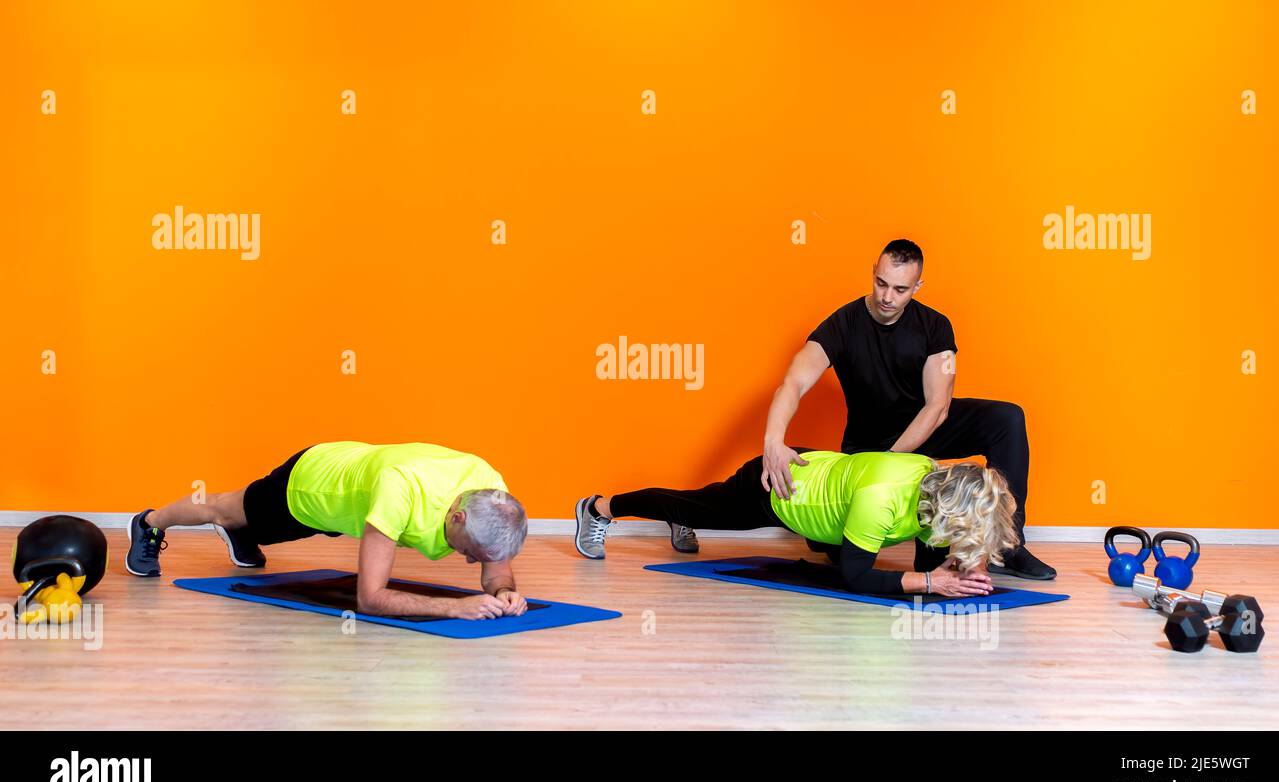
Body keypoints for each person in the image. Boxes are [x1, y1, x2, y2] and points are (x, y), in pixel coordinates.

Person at [700, 238, 1054, 580]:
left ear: (918, 285)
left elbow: (938, 407)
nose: (887, 296)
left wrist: (896, 460)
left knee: (1007, 417)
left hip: (924, 425)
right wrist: (773, 441)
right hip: (871, 442)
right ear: (873, 272)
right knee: (842, 556)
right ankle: (826, 536)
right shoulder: (844, 323)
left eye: (900, 289)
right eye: (881, 283)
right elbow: (793, 382)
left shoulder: (935, 326)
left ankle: (1007, 545)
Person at [125, 441, 529, 619]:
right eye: (471, 553)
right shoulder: (401, 490)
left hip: (353, 498)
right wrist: (453, 607)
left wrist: (504, 591)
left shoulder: (493, 497)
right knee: (226, 508)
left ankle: (244, 533)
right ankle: (149, 523)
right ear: (457, 517)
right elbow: (370, 599)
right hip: (314, 485)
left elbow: (496, 568)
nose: (472, 561)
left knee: (247, 523)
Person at [575, 449, 1013, 597]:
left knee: (835, 545)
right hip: (776, 490)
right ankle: (599, 507)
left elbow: (932, 544)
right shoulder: (881, 501)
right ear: (949, 504)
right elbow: (855, 577)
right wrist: (933, 584)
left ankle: (677, 519)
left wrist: (968, 568)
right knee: (695, 506)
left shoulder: (933, 478)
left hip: (825, 483)